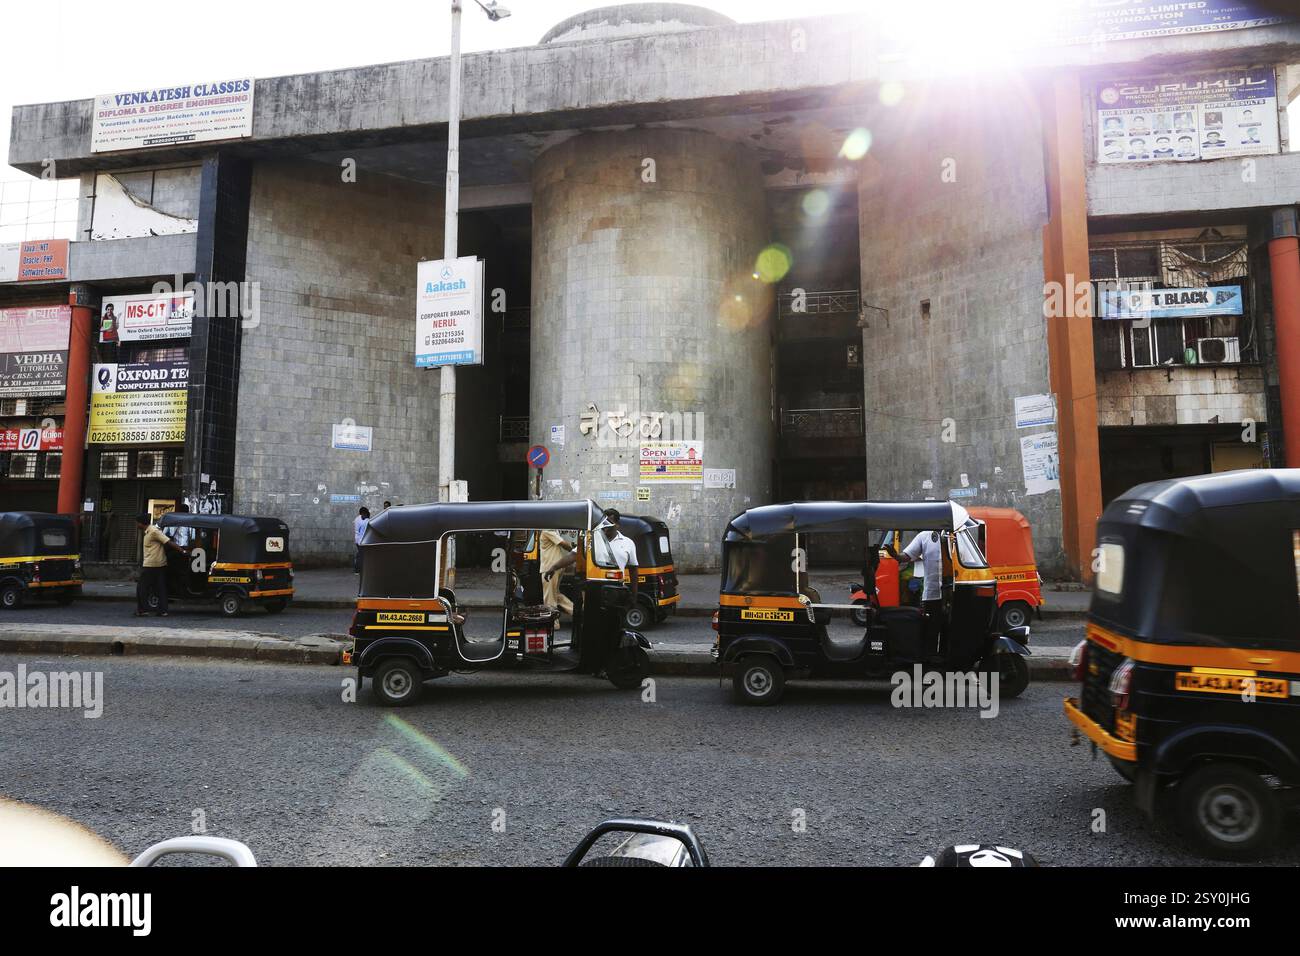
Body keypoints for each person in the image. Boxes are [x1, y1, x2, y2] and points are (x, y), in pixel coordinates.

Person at [135, 513, 187, 617]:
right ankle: (162, 610)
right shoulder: (148, 531)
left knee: (142, 587)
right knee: (159, 588)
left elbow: (168, 542)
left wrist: (183, 551)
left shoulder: (153, 531)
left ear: (141, 523)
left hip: (152, 565)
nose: (136, 524)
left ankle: (143, 610)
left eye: (137, 522)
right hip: (156, 564)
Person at [898, 529, 944, 618]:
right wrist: (896, 556)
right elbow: (908, 555)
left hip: (953, 591)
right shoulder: (924, 536)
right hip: (931, 594)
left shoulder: (957, 533)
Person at [539, 529, 576, 615]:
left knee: (549, 598)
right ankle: (577, 611)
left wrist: (574, 551)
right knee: (555, 594)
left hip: (550, 568)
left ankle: (552, 623)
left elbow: (563, 544)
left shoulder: (547, 530)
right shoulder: (554, 530)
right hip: (557, 566)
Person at [353, 507, 370, 573]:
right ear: (362, 513)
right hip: (360, 540)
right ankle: (358, 570)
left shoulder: (359, 519)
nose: (365, 515)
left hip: (359, 539)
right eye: (365, 514)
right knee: (361, 555)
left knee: (360, 554)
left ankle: (358, 569)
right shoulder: (362, 520)